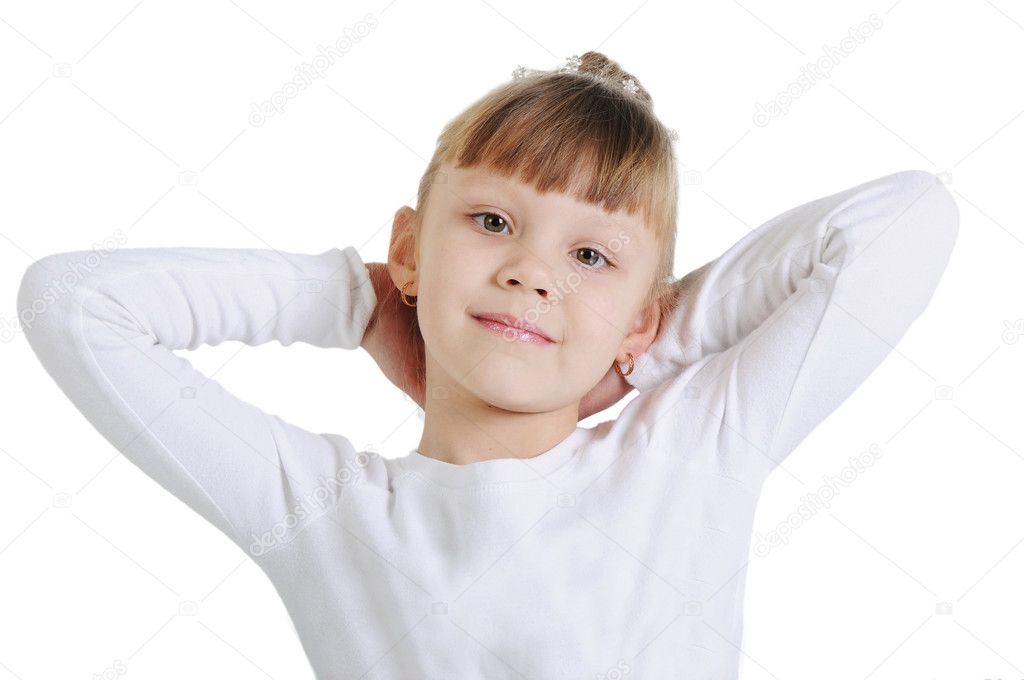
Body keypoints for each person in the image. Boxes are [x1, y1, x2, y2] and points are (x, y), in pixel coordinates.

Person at [17, 51, 959, 679]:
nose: (532, 272)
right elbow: (73, 305)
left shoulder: (689, 452)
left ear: (644, 315)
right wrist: (364, 302)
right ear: (412, 248)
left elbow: (907, 219)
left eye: (590, 256)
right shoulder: (323, 511)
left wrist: (635, 353)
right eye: (494, 221)